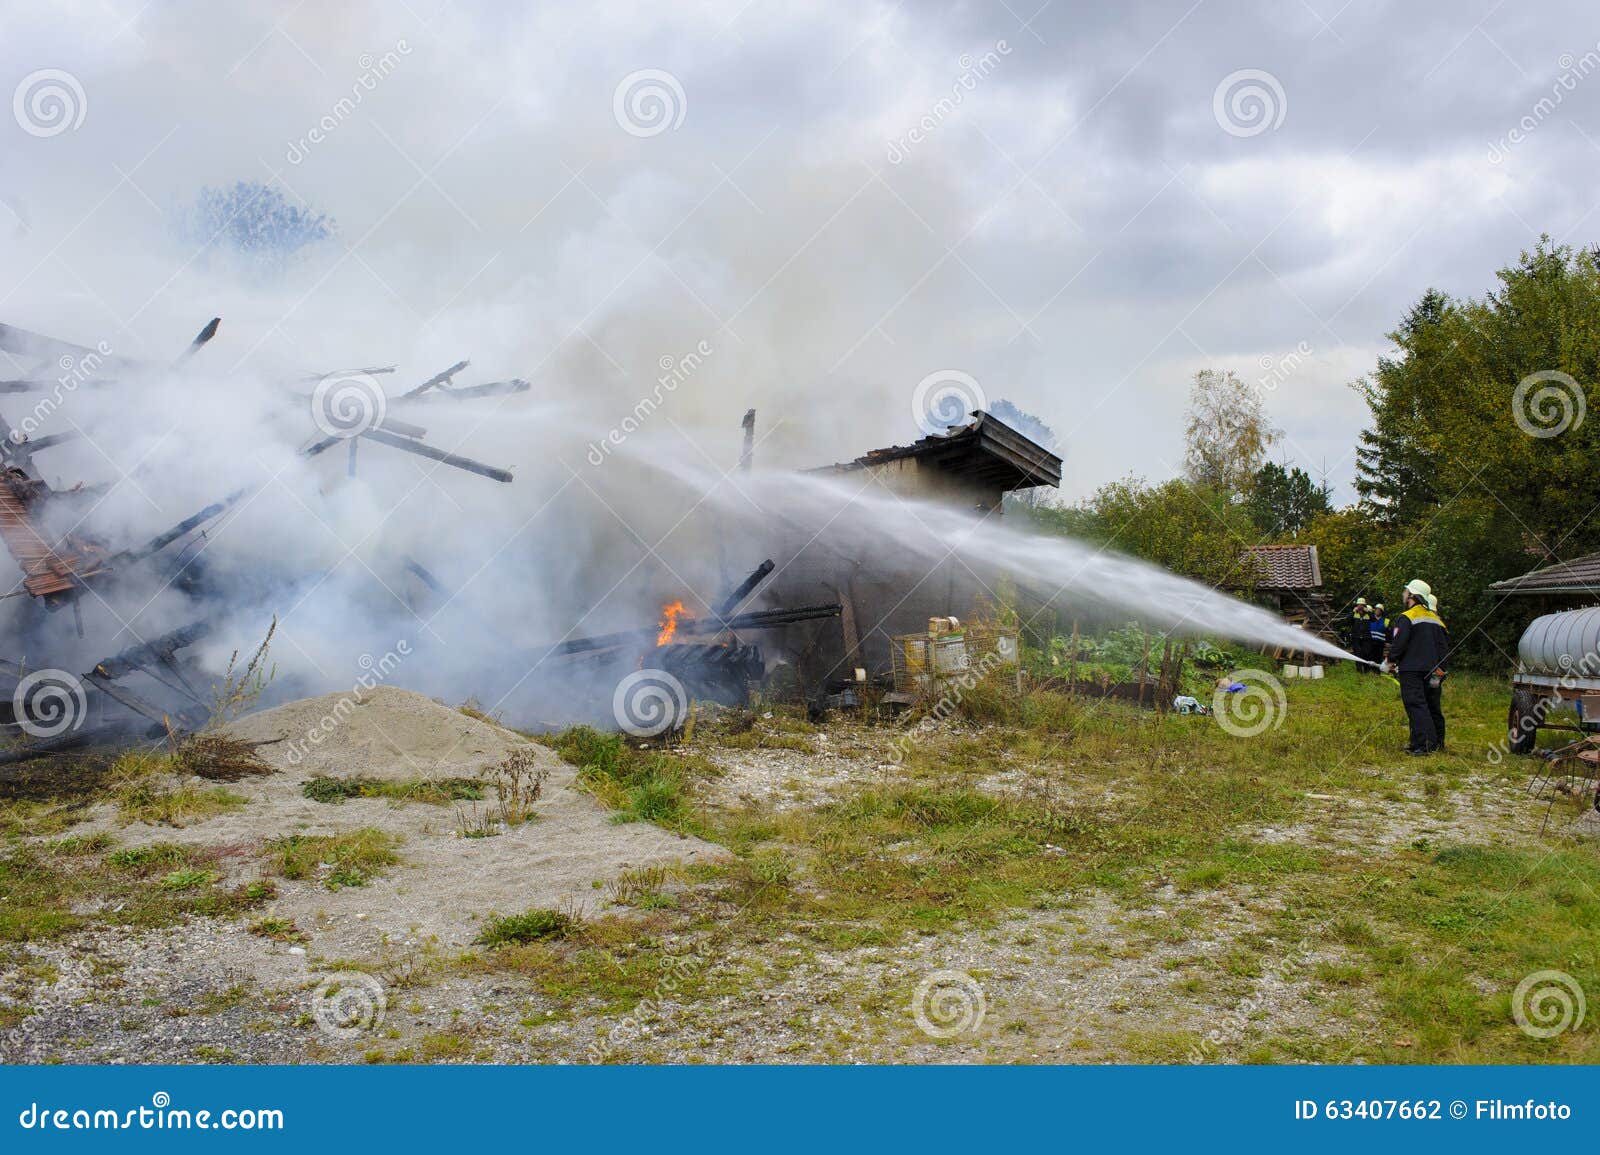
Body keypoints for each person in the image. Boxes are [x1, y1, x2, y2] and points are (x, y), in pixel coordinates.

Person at [1386, 579, 1448, 754]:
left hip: (1412, 670)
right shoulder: (1436, 620)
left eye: (1406, 591)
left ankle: (1423, 746)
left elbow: (1399, 643)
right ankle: (1435, 743)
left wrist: (1389, 661)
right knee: (1430, 706)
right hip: (1434, 670)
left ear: (1412, 595)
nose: (1403, 594)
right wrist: (1442, 670)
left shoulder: (1407, 617)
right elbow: (1444, 648)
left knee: (1416, 705)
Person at [1349, 598, 1372, 671]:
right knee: (1357, 654)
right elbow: (1347, 621)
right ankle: (1359, 670)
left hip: (1366, 638)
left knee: (1366, 653)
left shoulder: (1368, 614)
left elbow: (1374, 619)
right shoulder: (1354, 614)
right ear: (1357, 605)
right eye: (1359, 605)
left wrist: (1368, 612)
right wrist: (1353, 612)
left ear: (1364, 606)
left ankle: (1366, 669)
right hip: (1356, 638)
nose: (1360, 607)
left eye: (1362, 605)